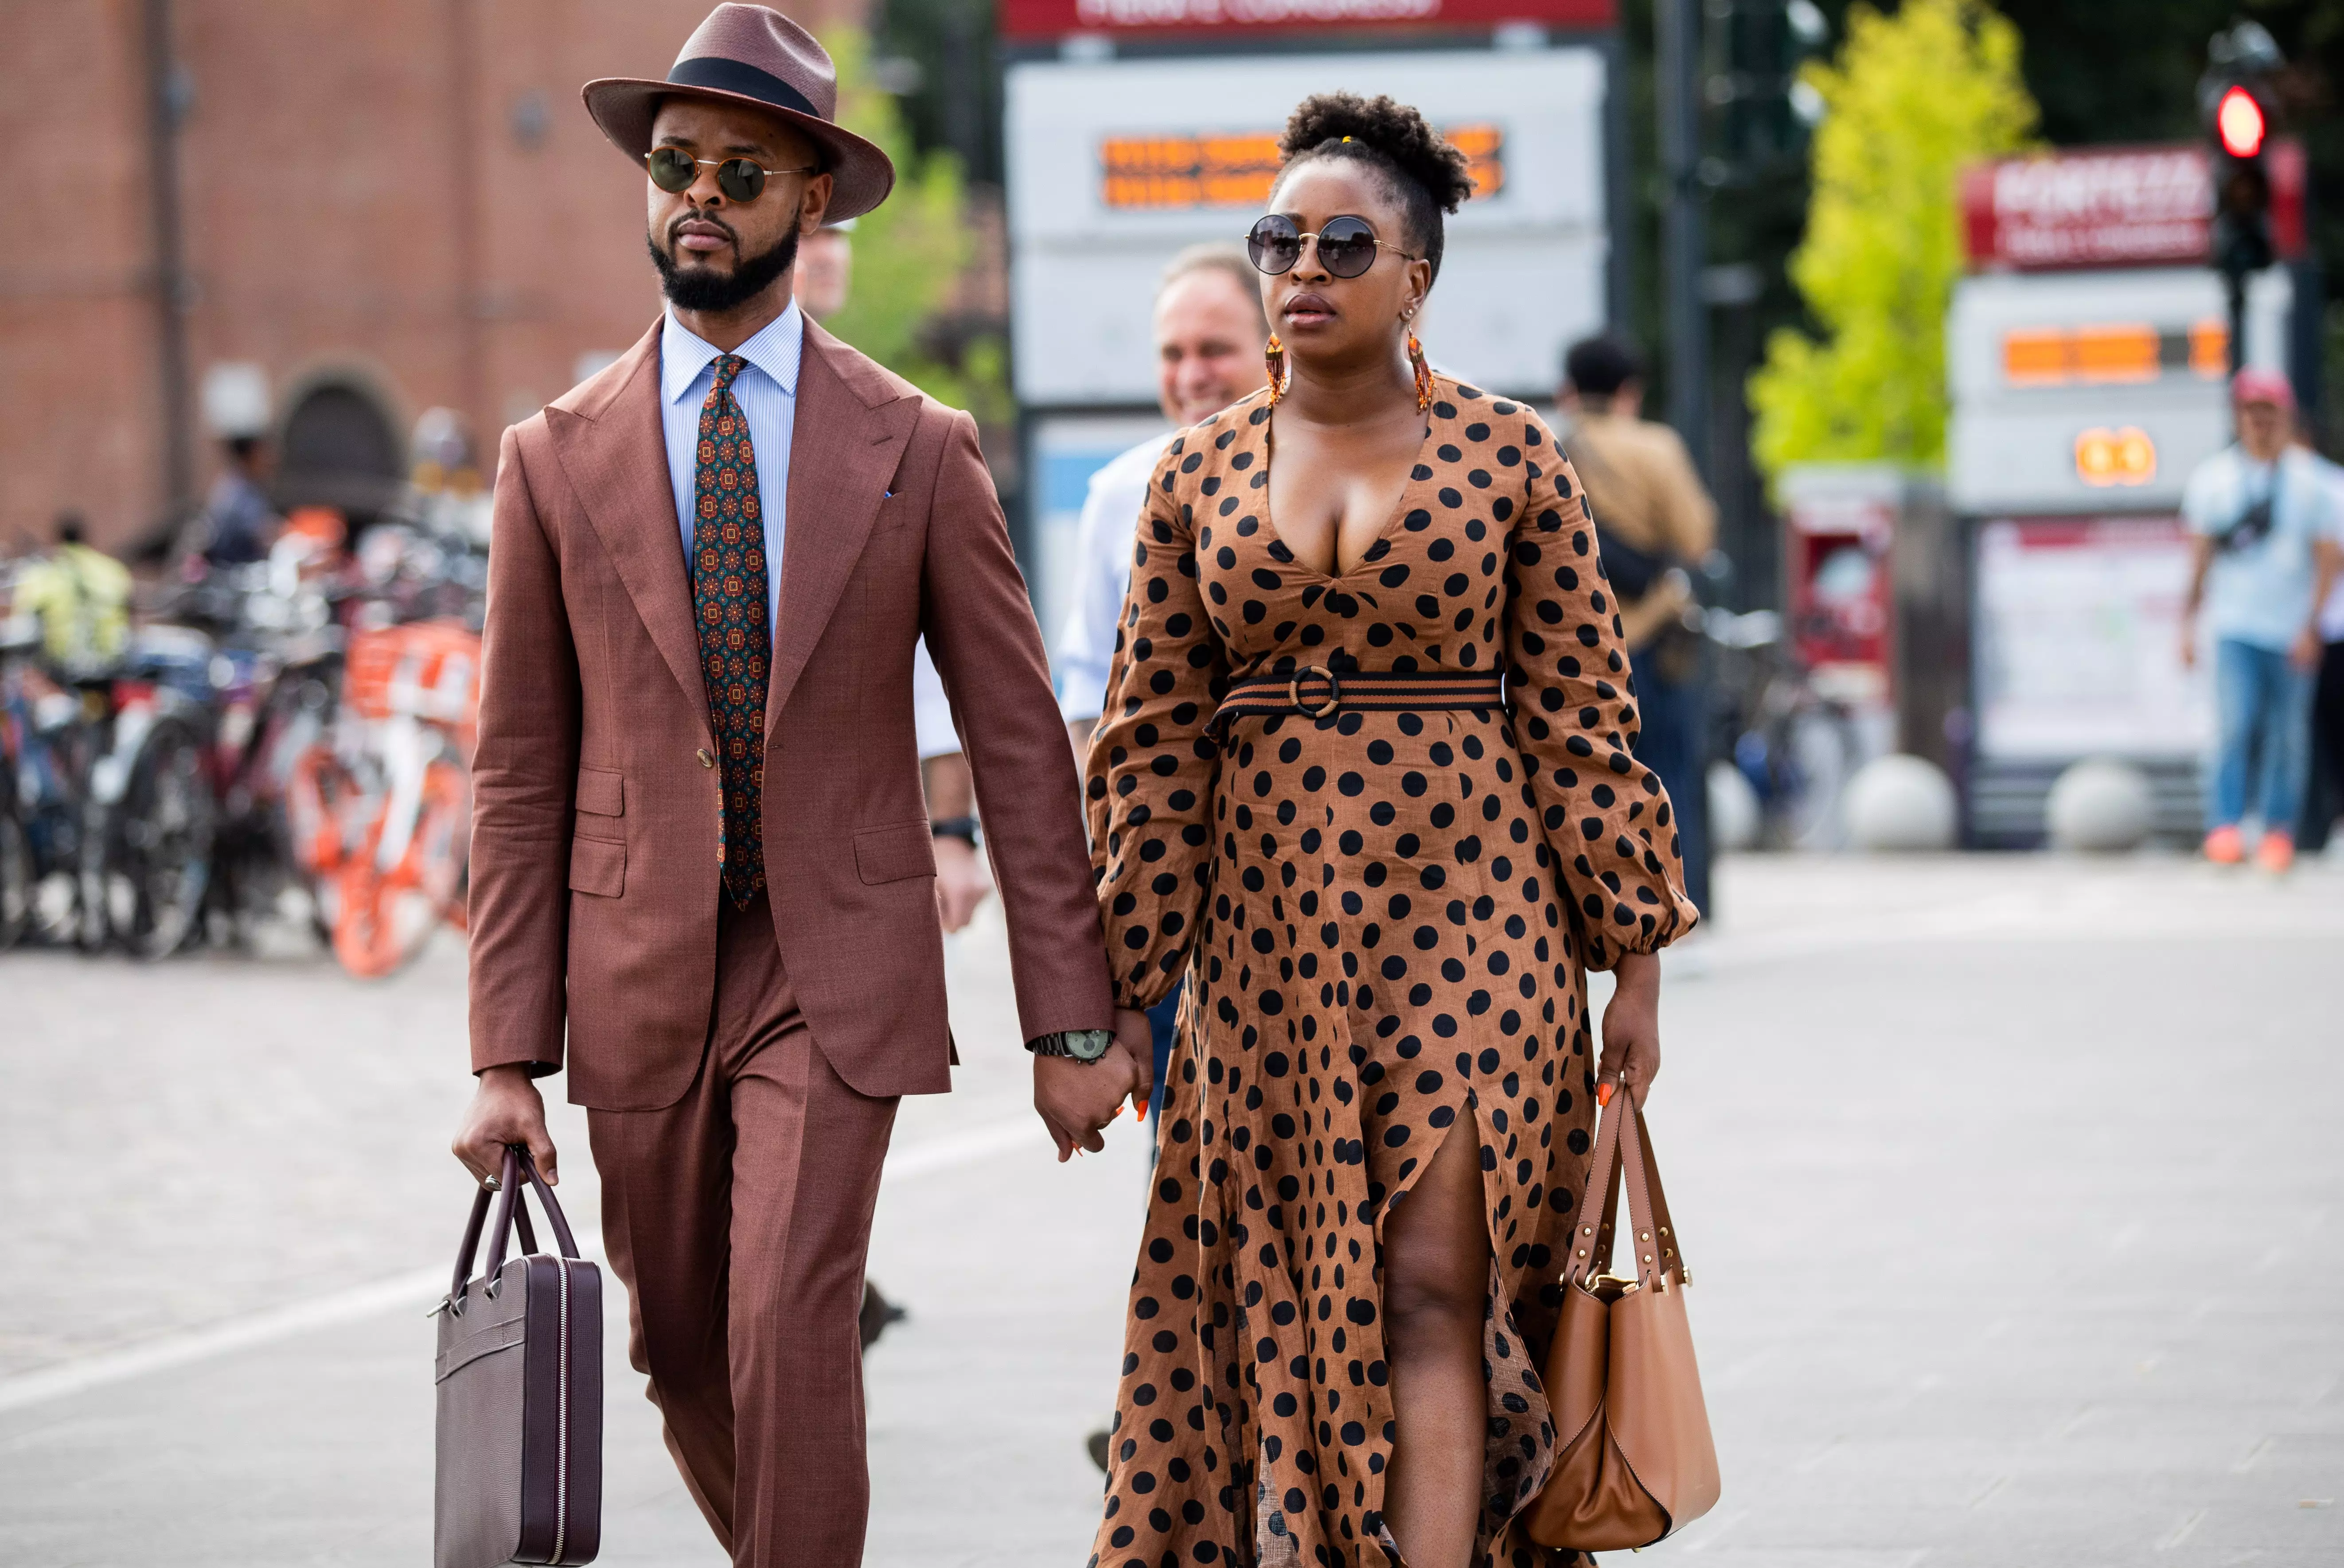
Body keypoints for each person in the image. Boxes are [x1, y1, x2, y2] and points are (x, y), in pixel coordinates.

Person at [448, 10, 1141, 1565]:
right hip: (635, 970)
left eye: (738, 171)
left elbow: (1021, 740)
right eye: (672, 166)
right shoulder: (549, 458)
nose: (695, 193)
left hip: (833, 961)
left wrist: (1070, 1018)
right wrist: (505, 1051)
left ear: (809, 200)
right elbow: (517, 773)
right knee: (680, 1350)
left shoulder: (916, 445)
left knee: (788, 1319)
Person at [1077, 94, 1698, 1568]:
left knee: (1431, 1287)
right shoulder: (1193, 474)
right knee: (1291, 1302)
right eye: (1274, 240)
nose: (1300, 266)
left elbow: (1578, 717)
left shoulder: (1511, 457)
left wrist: (1635, 963)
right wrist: (1108, 995)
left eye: (1339, 242)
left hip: (1476, 921)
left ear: (1411, 274)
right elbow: (1148, 739)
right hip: (1268, 941)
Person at [1556, 335, 1716, 915]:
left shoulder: (1546, 444)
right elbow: (1697, 537)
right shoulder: (1655, 447)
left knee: (1582, 776)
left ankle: (1592, 903)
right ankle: (1677, 897)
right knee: (1668, 771)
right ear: (1630, 392)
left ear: (1566, 390)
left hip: (1569, 643)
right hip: (1647, 635)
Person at [2180, 369, 2342, 873]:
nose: (2260, 422)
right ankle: (2225, 826)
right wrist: (2186, 623)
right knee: (2234, 725)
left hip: (2291, 628)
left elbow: (2327, 559)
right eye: (2251, 412)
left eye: (2269, 411)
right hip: (2235, 625)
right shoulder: (2214, 480)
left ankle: (2278, 831)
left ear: (2285, 416)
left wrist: (2312, 625)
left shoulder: (2313, 481)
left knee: (2287, 735)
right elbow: (2201, 559)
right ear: (2239, 417)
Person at [16, 514, 131, 673]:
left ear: (58, 539)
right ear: (85, 539)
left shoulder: (46, 573)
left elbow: (25, 620)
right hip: (110, 662)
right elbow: (128, 607)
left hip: (61, 664)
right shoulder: (111, 569)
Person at [200, 435, 279, 567]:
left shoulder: (249, 486)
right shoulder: (235, 492)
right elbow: (259, 533)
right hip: (233, 570)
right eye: (264, 454)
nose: (271, 460)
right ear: (250, 456)